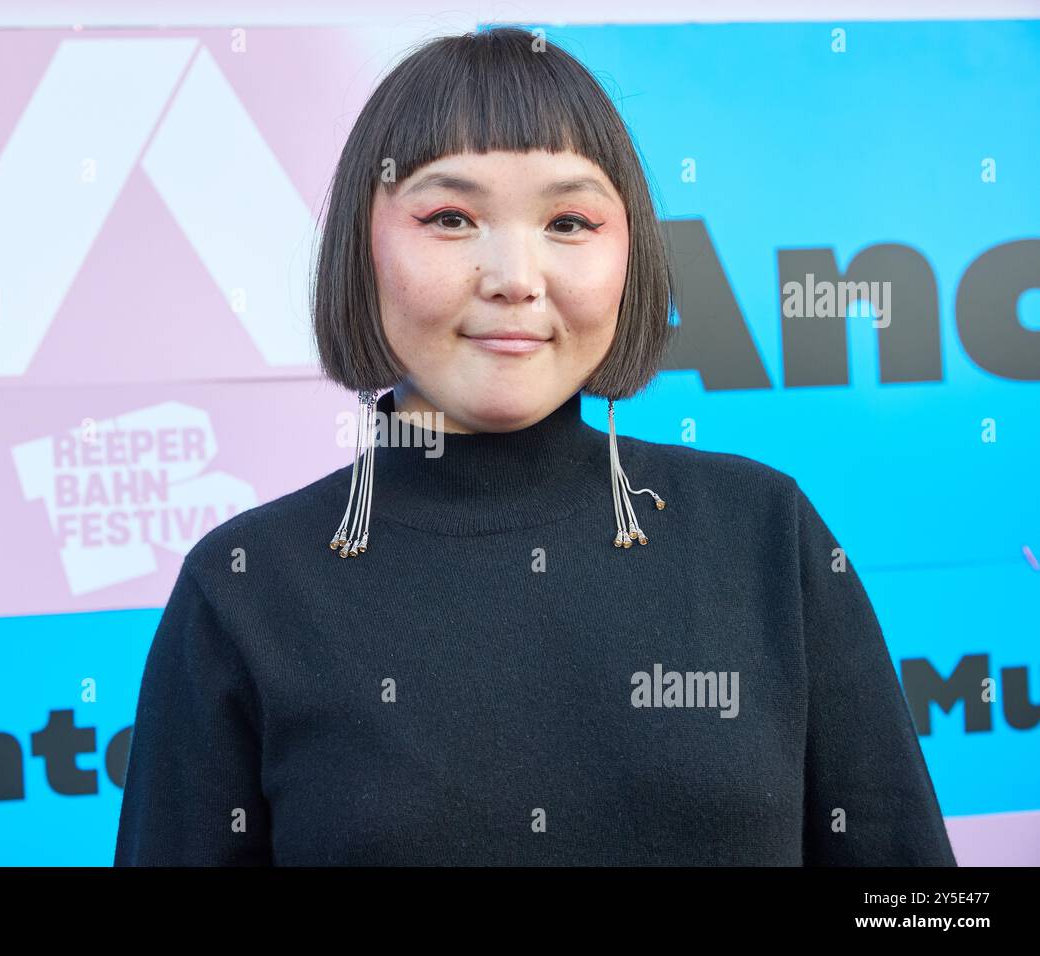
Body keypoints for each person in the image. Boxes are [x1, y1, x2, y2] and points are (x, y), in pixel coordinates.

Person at [114, 26, 957, 866]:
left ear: (630, 254)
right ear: (360, 250)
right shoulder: (245, 586)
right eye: (450, 217)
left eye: (568, 221)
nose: (515, 276)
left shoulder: (763, 532)